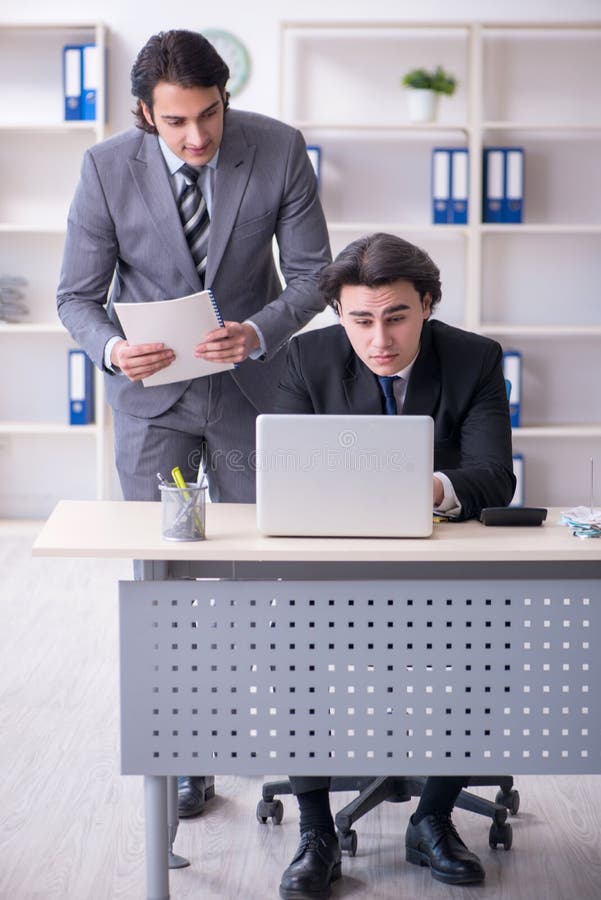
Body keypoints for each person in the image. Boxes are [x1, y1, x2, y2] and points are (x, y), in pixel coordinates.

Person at [56, 29, 330, 818]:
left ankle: (290, 742)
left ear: (224, 99)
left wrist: (259, 331)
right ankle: (185, 752)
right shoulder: (105, 167)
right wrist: (111, 350)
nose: (197, 136)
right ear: (145, 112)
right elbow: (77, 296)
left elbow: (314, 276)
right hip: (154, 407)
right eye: (176, 121)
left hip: (252, 392)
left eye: (208, 115)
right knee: (165, 586)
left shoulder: (278, 150)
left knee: (265, 578)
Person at [275, 233, 515, 899]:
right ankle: (316, 829)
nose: (378, 339)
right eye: (360, 320)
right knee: (287, 644)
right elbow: (288, 475)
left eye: (396, 316)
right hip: (333, 573)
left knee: (485, 643)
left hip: (440, 573)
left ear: (427, 305)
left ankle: (432, 817)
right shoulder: (305, 358)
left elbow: (494, 478)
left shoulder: (472, 360)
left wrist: (425, 486)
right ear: (339, 317)